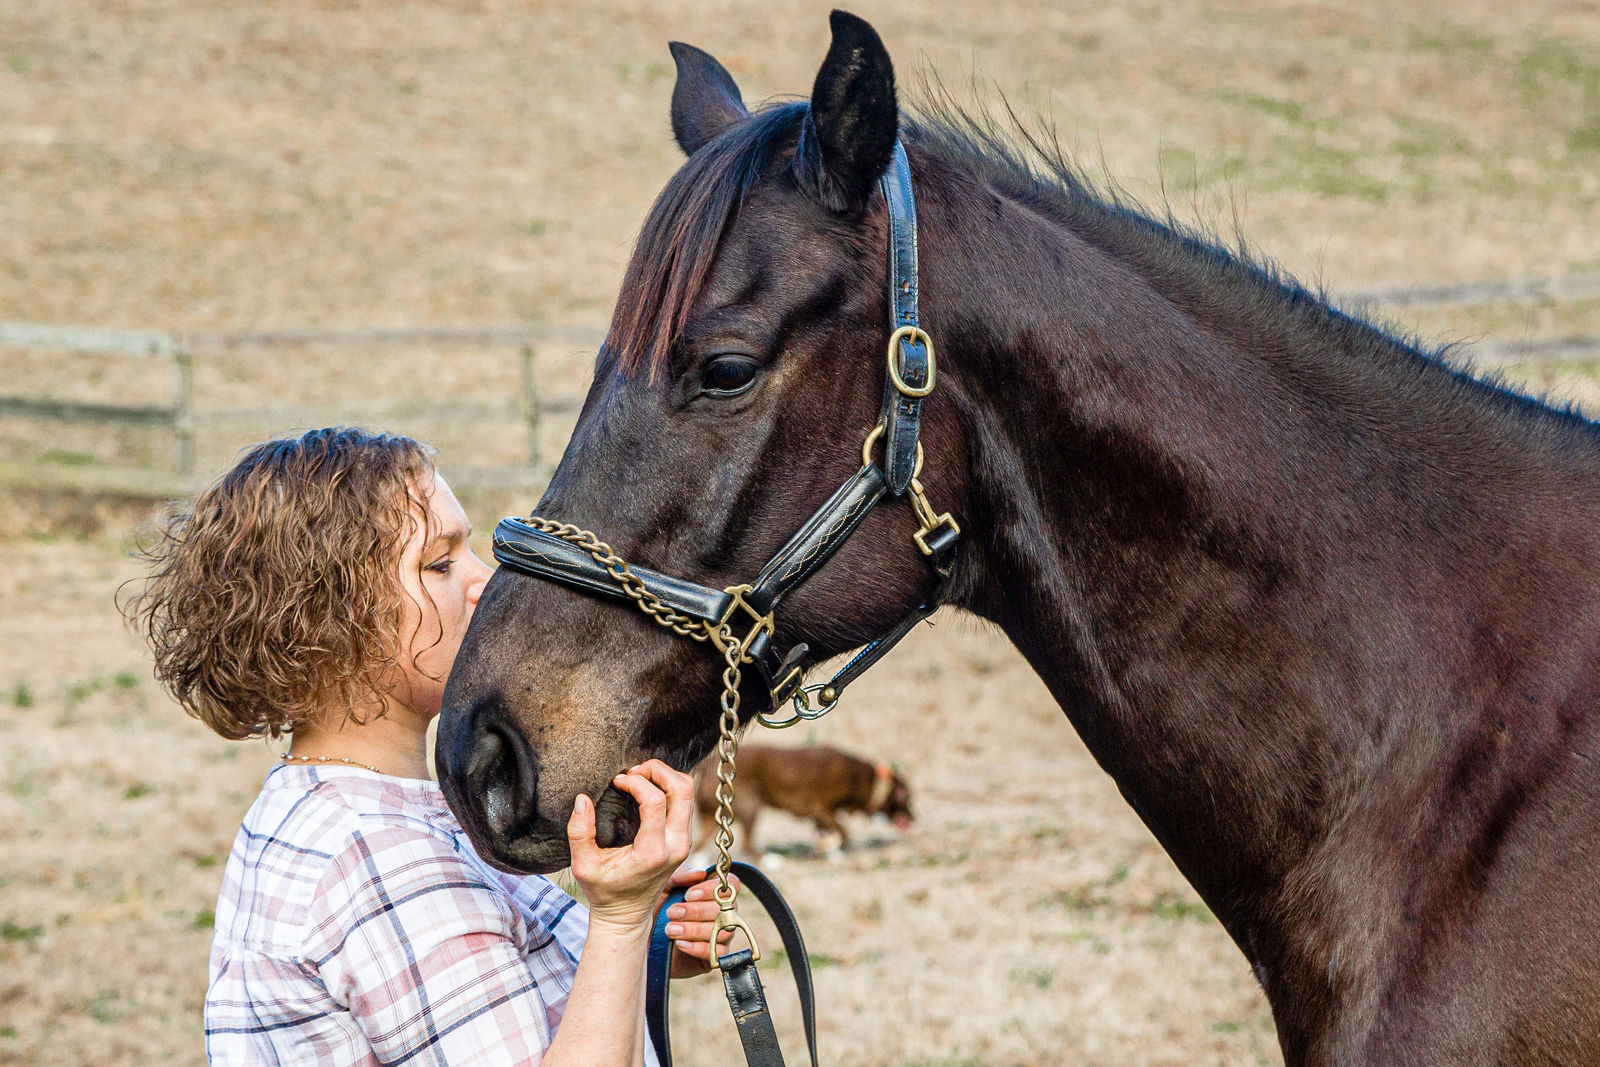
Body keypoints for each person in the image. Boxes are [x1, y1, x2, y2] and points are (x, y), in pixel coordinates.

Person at [127, 426, 727, 1065]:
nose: (485, 582)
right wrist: (620, 918)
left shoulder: (363, 810)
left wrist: (642, 940)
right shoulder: (383, 861)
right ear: (332, 621)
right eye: (439, 564)